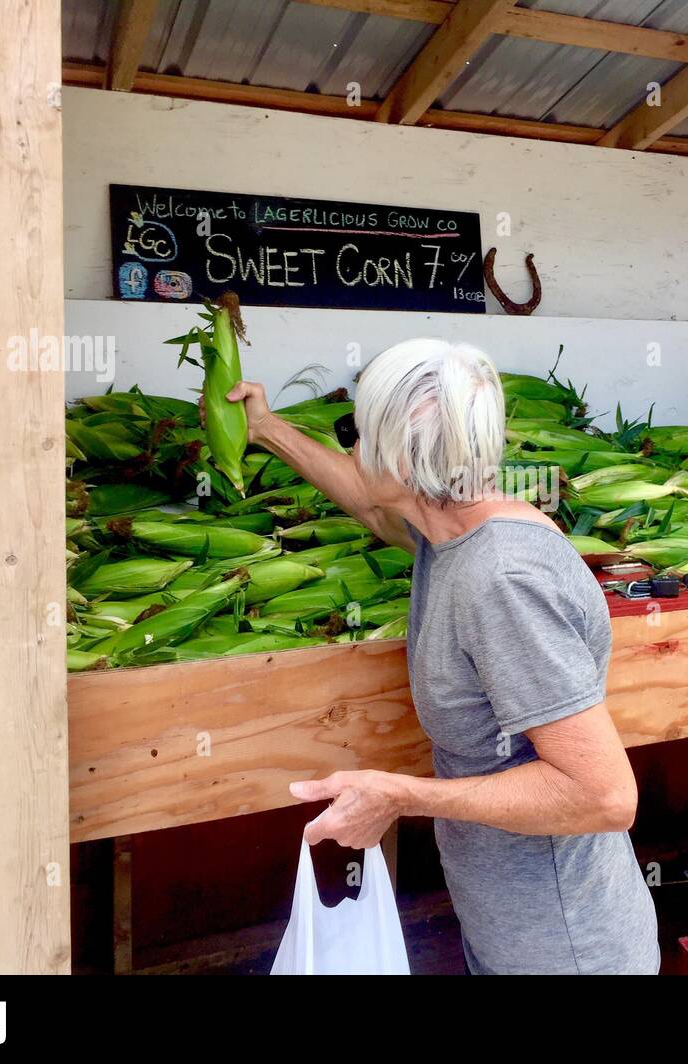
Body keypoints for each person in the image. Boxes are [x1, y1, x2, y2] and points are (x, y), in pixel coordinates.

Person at [227, 338, 659, 975]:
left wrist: (400, 795)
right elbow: (371, 504)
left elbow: (604, 797)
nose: (350, 444)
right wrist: (267, 430)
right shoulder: (456, 528)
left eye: (357, 430)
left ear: (401, 459)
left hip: (563, 949)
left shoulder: (502, 583)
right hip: (509, 928)